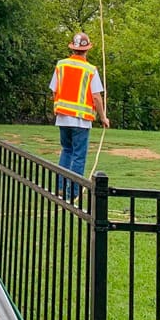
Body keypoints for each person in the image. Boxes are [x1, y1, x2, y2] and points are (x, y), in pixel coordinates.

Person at [50, 32, 109, 199]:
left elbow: (54, 89)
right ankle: (74, 192)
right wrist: (103, 117)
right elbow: (96, 96)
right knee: (78, 156)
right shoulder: (90, 70)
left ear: (73, 49)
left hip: (62, 117)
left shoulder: (61, 65)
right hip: (81, 120)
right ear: (87, 50)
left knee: (66, 150)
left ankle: (61, 187)